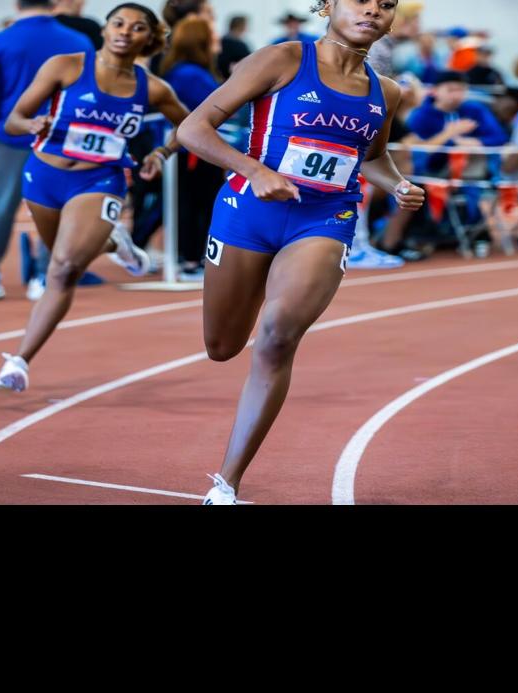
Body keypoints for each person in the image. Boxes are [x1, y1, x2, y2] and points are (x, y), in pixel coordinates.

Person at [173, 0, 424, 505]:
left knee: (277, 337)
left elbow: (370, 158)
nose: (373, 10)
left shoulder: (387, 92)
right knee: (222, 346)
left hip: (325, 218)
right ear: (327, 6)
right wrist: (256, 171)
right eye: (360, 0)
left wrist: (397, 185)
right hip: (247, 212)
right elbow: (192, 130)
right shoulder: (283, 59)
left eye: (387, 4)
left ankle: (227, 481)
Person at [0, 2, 192, 393]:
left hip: (100, 179)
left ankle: (20, 361)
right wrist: (31, 123)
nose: (125, 32)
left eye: (136, 28)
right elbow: (13, 119)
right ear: (104, 29)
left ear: (149, 39)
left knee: (63, 269)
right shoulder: (65, 66)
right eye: (118, 23)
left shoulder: (152, 88)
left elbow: (192, 125)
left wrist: (161, 153)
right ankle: (115, 240)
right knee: (65, 260)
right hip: (44, 176)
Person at [0, 0, 93, 302]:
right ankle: (45, 278)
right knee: (56, 210)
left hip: (11, 138)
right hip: (62, 140)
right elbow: (90, 92)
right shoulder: (78, 42)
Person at [162, 16, 223, 280]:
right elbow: (210, 111)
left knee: (192, 203)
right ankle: (190, 259)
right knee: (197, 204)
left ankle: (188, 257)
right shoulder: (191, 75)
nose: (217, 39)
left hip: (193, 149)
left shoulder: (184, 71)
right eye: (212, 35)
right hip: (194, 152)